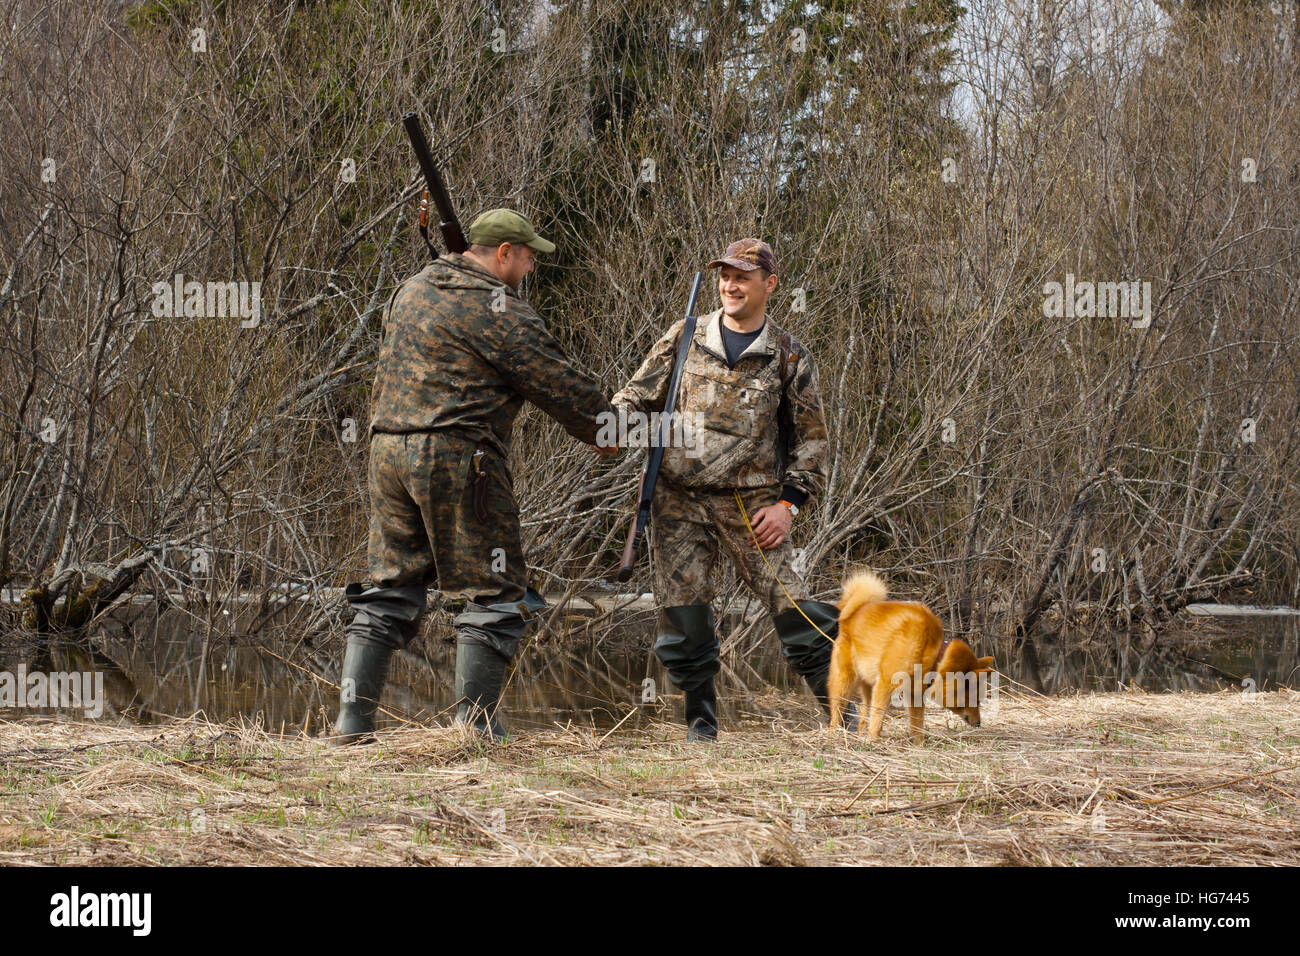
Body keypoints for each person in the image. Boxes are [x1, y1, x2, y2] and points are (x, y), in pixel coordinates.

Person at [332, 208, 615, 744]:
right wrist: (611, 429)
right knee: (492, 589)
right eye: (529, 257)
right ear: (503, 253)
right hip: (460, 460)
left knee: (390, 585)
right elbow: (562, 386)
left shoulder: (410, 289)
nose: (532, 268)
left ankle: (352, 723)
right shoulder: (501, 307)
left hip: (387, 454)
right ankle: (476, 728)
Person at [612, 238, 841, 740]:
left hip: (752, 503)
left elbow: (813, 444)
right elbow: (636, 395)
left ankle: (846, 718)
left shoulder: (788, 355)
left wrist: (789, 505)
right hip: (677, 499)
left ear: (769, 284)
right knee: (683, 618)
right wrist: (609, 428)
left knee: (797, 609)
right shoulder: (685, 335)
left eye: (742, 276)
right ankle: (702, 729)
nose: (730, 285)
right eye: (724, 276)